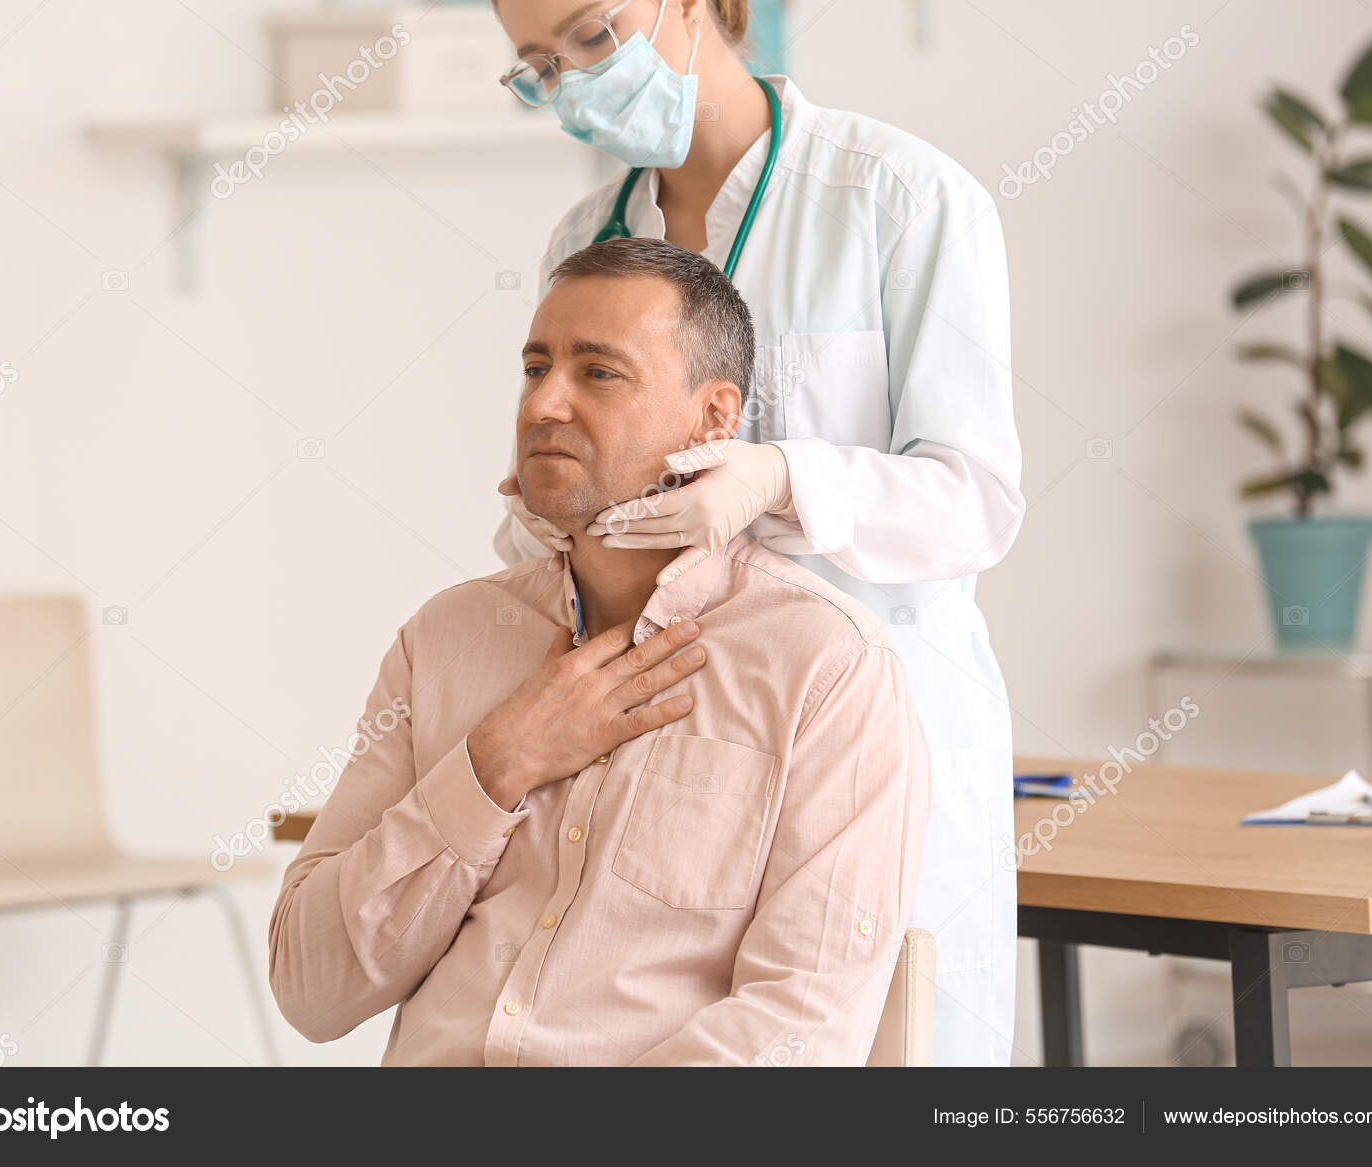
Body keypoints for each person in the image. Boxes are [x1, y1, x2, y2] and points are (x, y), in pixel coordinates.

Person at [490, 0, 1023, 1064]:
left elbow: (975, 500)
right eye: (540, 66)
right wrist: (543, 516)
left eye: (592, 37)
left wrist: (783, 476)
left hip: (871, 739)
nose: (575, 83)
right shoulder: (585, 241)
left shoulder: (899, 198)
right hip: (668, 747)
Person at [270, 238, 930, 1065]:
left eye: (598, 372)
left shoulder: (828, 668)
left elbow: (799, 1027)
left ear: (714, 419)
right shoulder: (443, 638)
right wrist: (494, 765)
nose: (544, 404)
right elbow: (311, 988)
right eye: (535, 367)